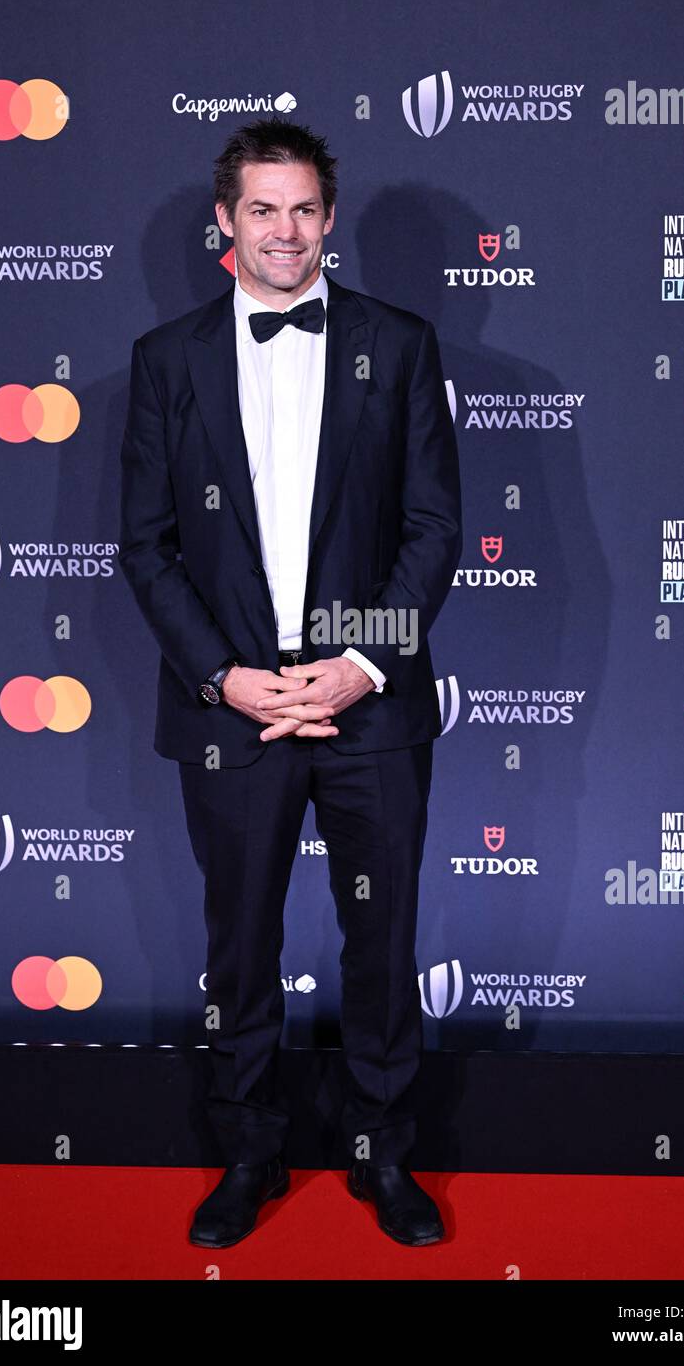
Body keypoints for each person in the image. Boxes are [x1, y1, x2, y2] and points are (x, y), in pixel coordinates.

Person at [119, 116, 462, 1248]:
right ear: (225, 222)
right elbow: (148, 546)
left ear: (329, 218)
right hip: (234, 714)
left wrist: (354, 666)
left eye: (304, 208)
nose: (284, 230)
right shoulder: (165, 360)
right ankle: (248, 1154)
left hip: (366, 702)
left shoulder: (399, 343)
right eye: (261, 209)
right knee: (239, 948)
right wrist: (228, 678)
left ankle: (381, 1156)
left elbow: (429, 527)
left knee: (382, 940)